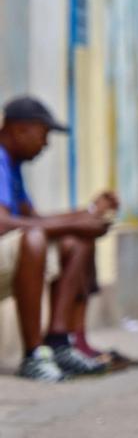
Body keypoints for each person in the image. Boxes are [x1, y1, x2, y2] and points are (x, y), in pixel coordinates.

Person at [0, 96, 118, 380]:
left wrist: (86, 217)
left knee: (74, 241)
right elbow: (4, 224)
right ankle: (33, 355)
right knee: (36, 239)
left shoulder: (11, 167)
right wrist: (81, 219)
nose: (46, 144)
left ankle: (58, 342)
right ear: (19, 129)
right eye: (44, 134)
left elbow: (36, 219)